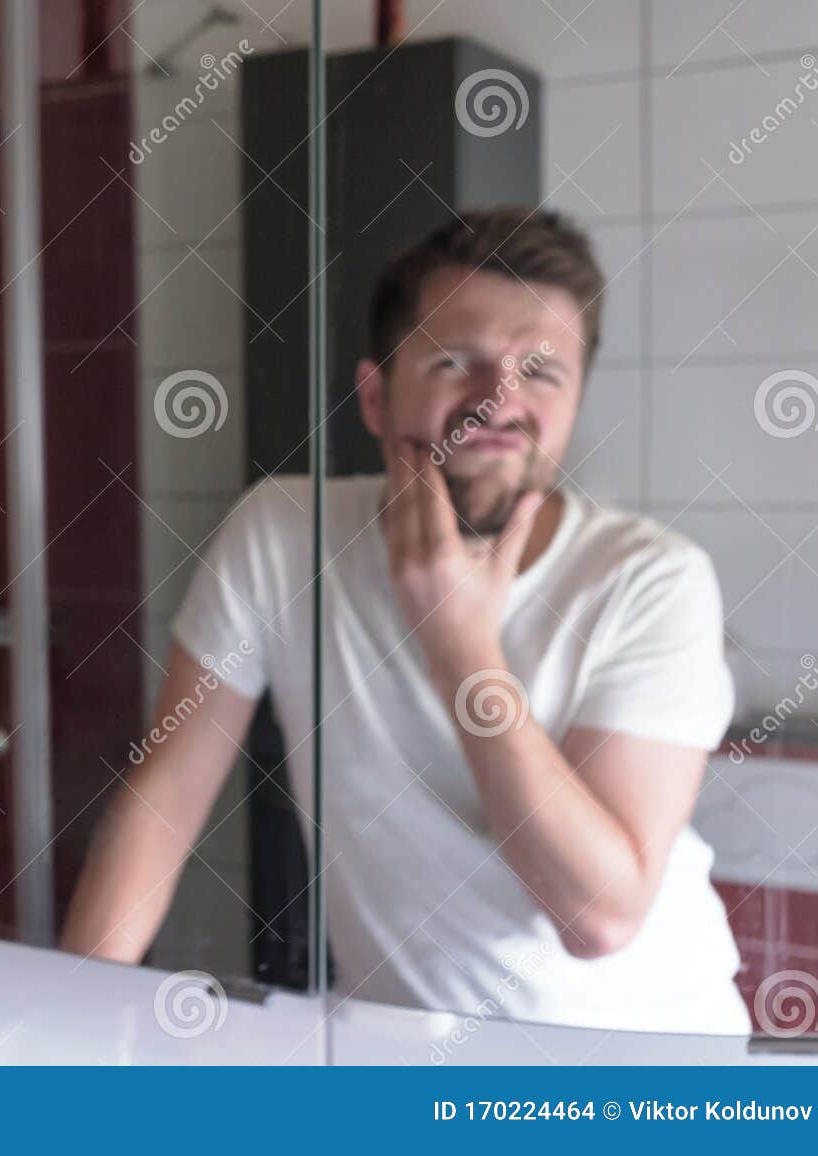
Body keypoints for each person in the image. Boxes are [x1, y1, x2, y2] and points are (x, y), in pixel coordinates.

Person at [62, 209, 750, 1034]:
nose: (500, 401)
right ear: (376, 395)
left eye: (541, 372)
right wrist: (70, 1023)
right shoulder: (283, 532)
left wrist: (459, 646)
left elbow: (598, 918)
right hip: (400, 1053)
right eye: (455, 361)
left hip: (643, 1055)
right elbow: (167, 797)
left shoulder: (650, 580)